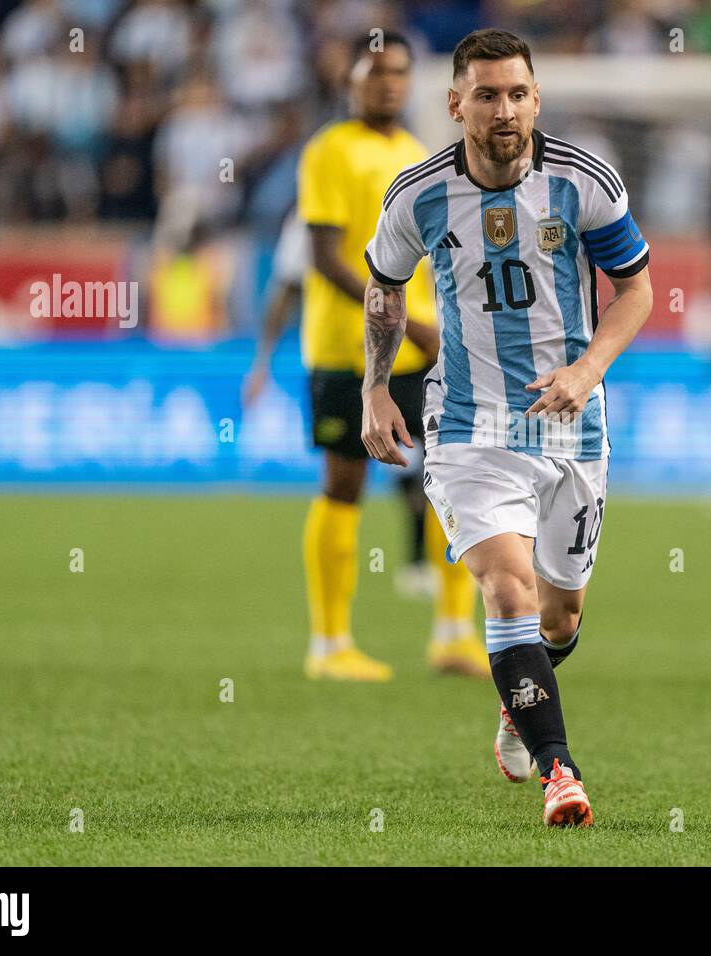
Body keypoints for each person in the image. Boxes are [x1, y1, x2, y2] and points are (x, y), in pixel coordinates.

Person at [360, 29, 653, 827]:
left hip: (571, 424)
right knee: (505, 586)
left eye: (518, 93)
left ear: (537, 100)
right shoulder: (416, 195)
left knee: (560, 618)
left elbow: (635, 290)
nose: (505, 110)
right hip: (467, 426)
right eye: (486, 95)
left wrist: (586, 373)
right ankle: (562, 769)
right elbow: (384, 291)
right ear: (455, 104)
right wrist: (375, 388)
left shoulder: (584, 181)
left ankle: (516, 702)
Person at [242, 31, 484, 683]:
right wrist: (407, 323)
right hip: (346, 351)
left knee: (450, 484)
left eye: (400, 72)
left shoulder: (414, 153)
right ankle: (328, 644)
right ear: (349, 79)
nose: (389, 83)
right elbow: (324, 260)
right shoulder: (328, 151)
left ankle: (454, 634)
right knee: (344, 484)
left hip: (419, 352)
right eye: (376, 71)